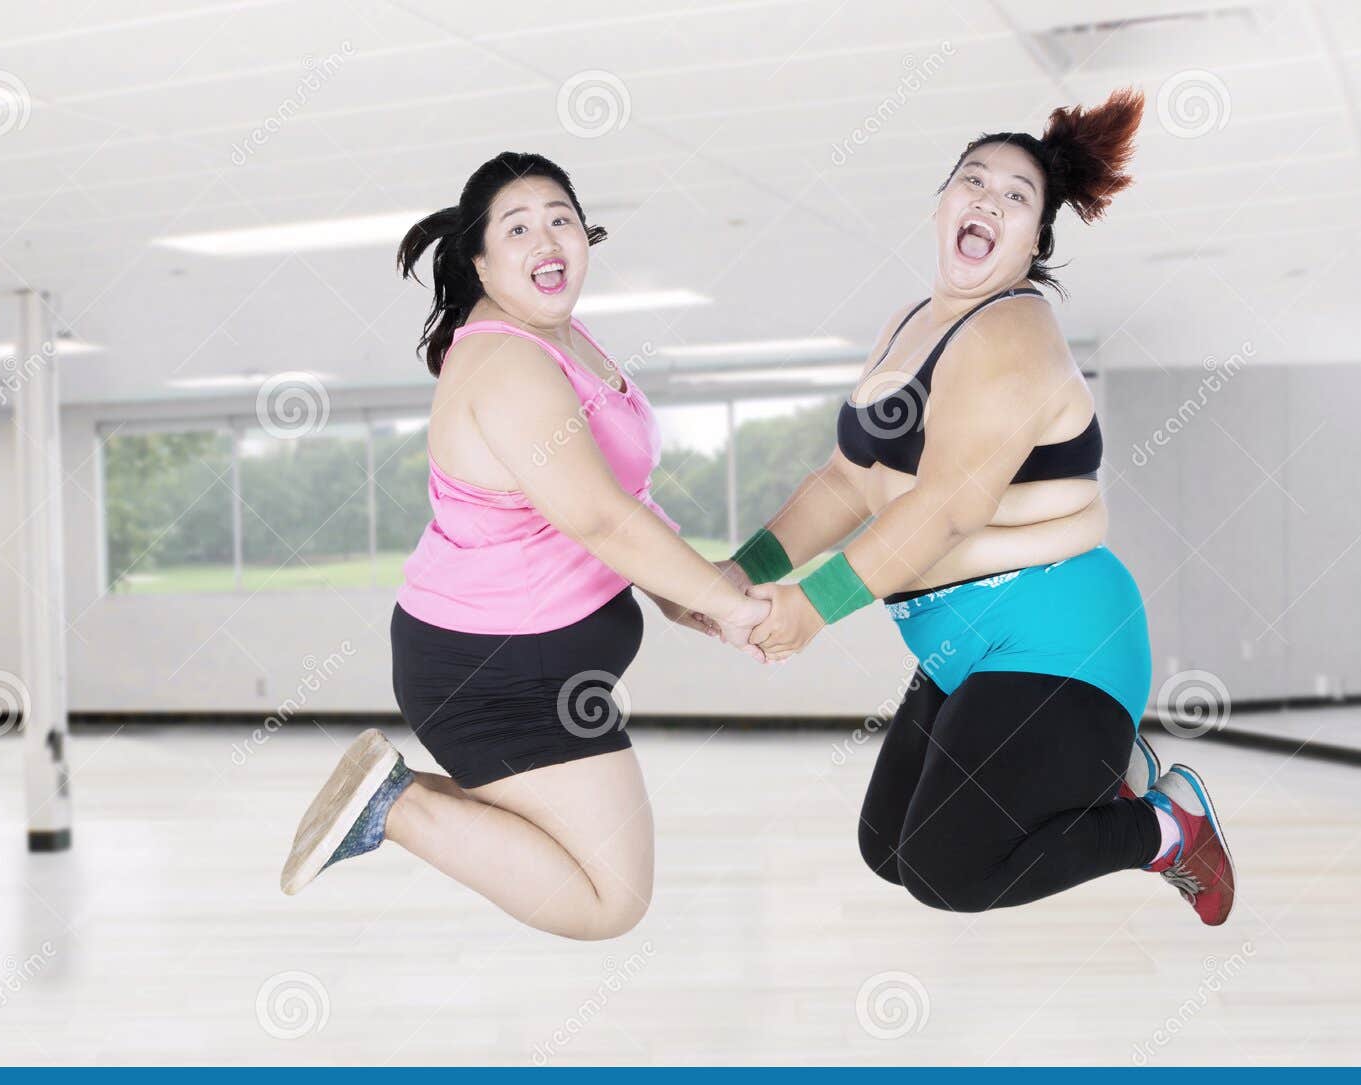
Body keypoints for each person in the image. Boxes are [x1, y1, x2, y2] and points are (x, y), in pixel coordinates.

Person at [714, 89, 1236, 926]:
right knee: (887, 847)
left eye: (1016, 196)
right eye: (973, 179)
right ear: (941, 205)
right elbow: (846, 482)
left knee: (947, 867)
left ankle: (1164, 823)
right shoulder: (910, 323)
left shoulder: (1012, 335)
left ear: (1033, 242)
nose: (988, 198)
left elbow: (949, 506)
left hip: (1058, 638)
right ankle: (1117, 769)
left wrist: (812, 607)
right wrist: (742, 572)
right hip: (961, 645)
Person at [279, 152, 768, 940]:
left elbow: (625, 497)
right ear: (480, 260)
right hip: (492, 669)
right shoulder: (506, 360)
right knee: (607, 900)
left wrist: (687, 590)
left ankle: (389, 796)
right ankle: (393, 805)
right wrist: (730, 605)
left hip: (534, 660)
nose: (546, 238)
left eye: (560, 219)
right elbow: (599, 519)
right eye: (518, 227)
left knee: (599, 873)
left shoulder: (563, 339)